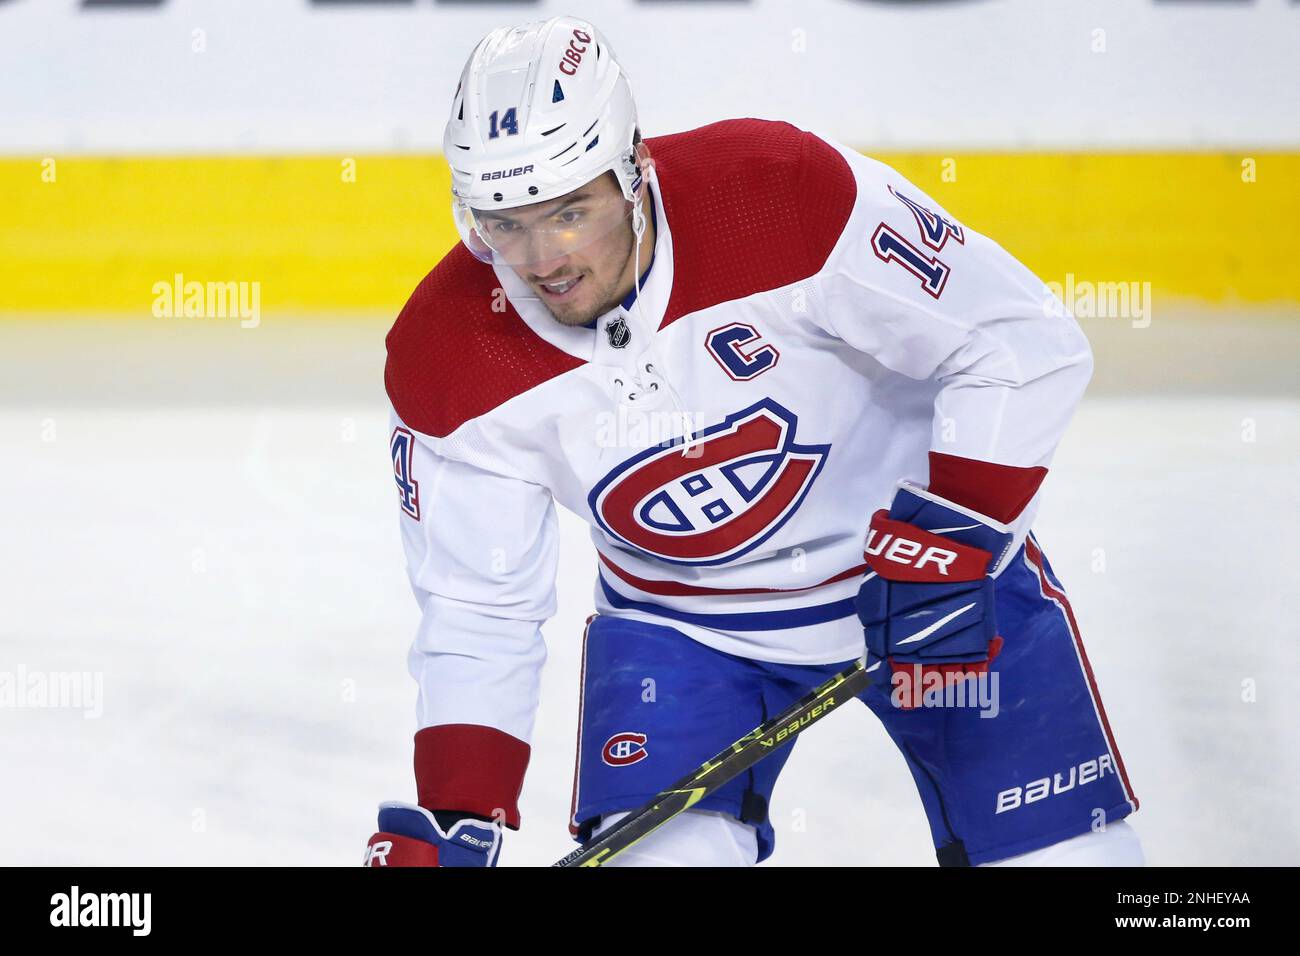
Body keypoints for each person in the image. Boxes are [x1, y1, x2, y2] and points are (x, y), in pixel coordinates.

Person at [362, 14, 1142, 868]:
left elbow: (1017, 341)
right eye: (503, 223)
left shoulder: (780, 195)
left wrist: (954, 538)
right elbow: (480, 605)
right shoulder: (448, 356)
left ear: (631, 171)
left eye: (569, 213)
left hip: (934, 589)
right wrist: (456, 811)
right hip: (683, 633)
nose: (541, 259)